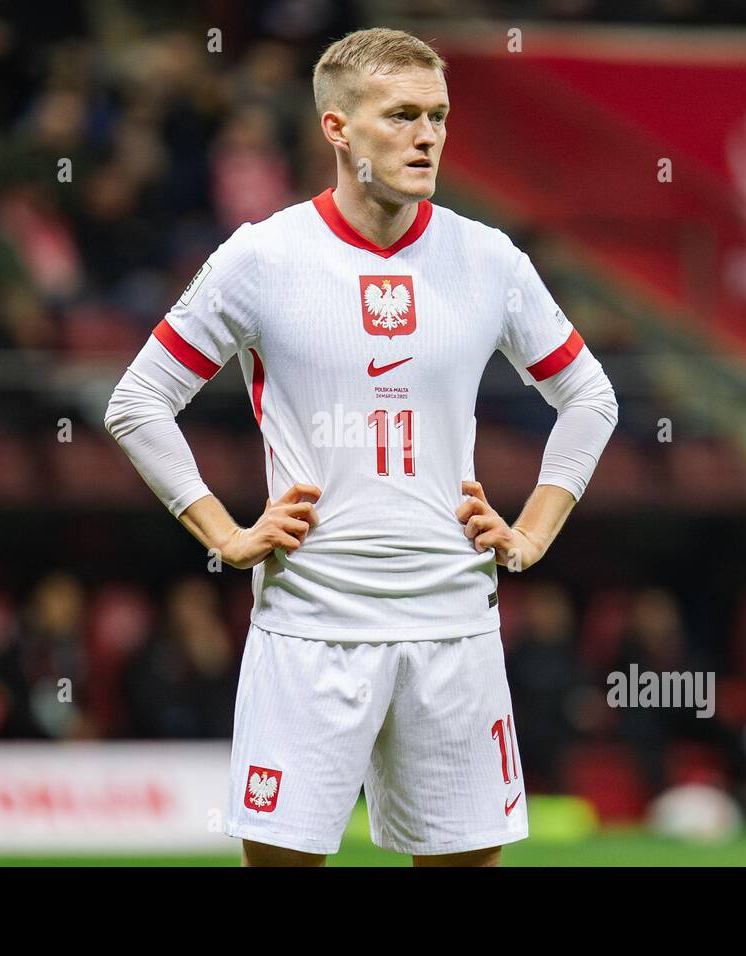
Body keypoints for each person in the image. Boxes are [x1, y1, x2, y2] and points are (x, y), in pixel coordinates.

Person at [105, 28, 617, 867]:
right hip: (311, 627)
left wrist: (533, 533)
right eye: (403, 115)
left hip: (454, 626)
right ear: (338, 128)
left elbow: (590, 396)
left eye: (439, 117)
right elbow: (139, 401)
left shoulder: (488, 258)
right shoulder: (262, 257)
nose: (427, 136)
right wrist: (225, 535)